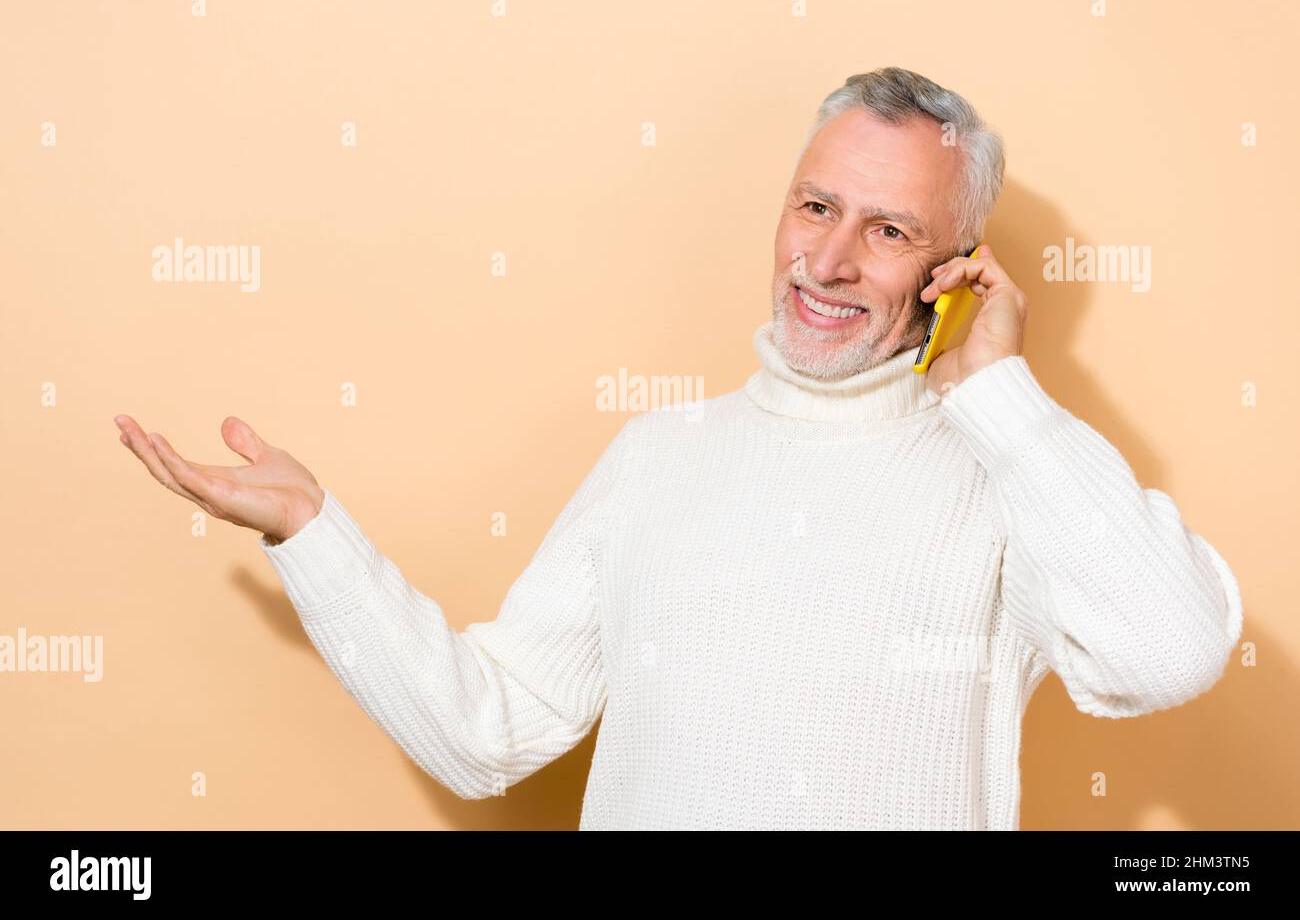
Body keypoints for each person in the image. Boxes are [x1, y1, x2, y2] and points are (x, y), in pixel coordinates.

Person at [115, 67, 1242, 829]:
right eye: (815, 207)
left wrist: (999, 392)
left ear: (957, 270)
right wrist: (315, 536)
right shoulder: (657, 453)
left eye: (888, 230)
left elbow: (1170, 651)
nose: (830, 261)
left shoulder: (1005, 473)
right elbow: (488, 729)